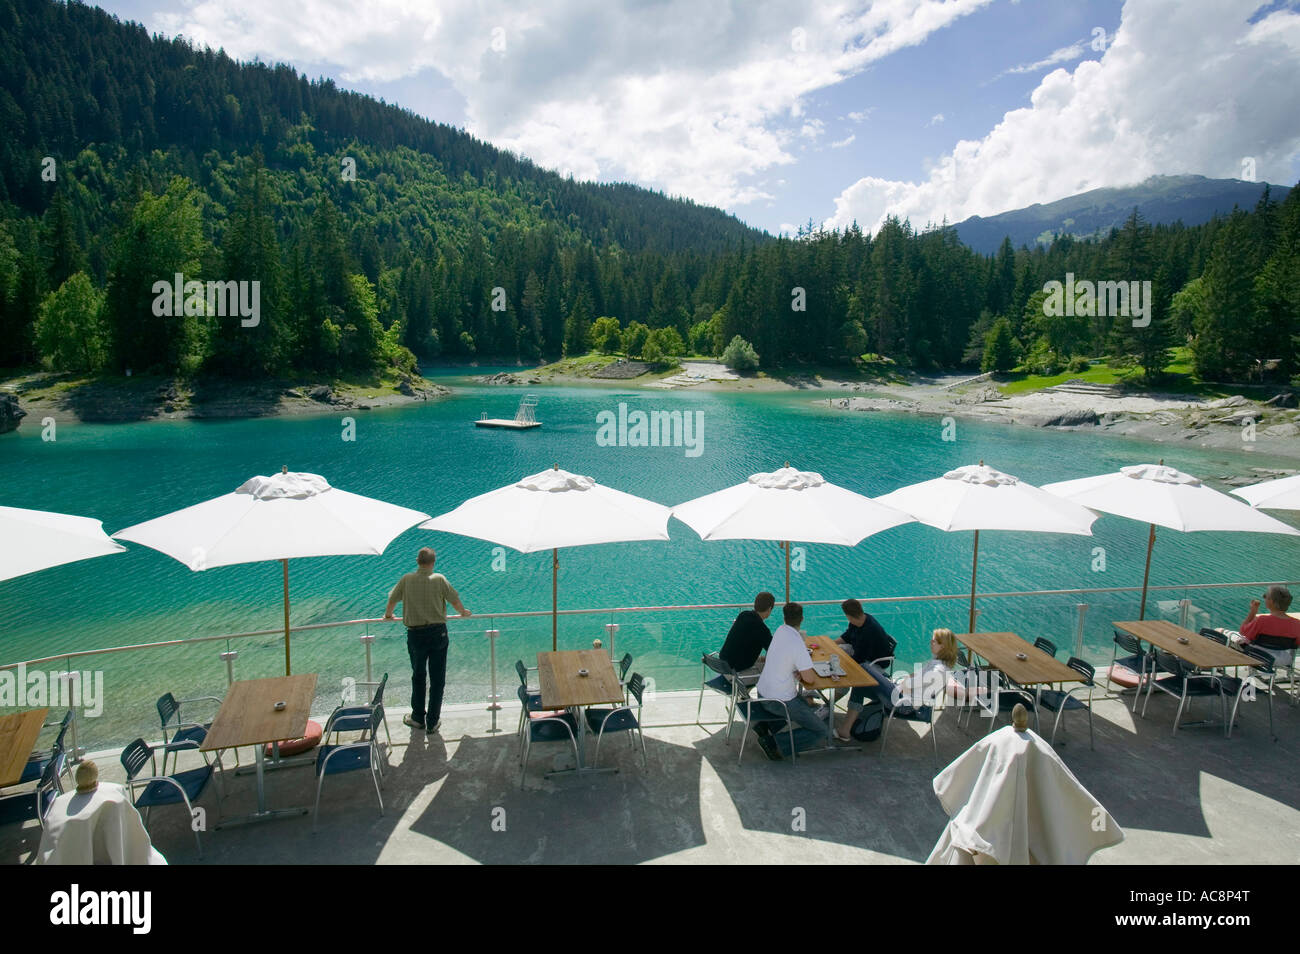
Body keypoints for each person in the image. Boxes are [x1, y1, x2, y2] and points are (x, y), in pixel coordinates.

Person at [383, 547, 470, 734]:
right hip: (438, 633)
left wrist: (388, 615)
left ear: (417, 561)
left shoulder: (407, 579)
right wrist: (463, 612)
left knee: (418, 676)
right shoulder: (439, 579)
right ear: (433, 562)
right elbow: (454, 600)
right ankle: (432, 721)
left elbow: (392, 599)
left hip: (416, 635)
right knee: (438, 679)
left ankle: (417, 718)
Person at [836, 628, 959, 742]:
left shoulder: (939, 669)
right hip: (900, 694)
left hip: (902, 704)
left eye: (934, 641)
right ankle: (845, 730)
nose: (930, 642)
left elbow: (911, 684)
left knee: (865, 668)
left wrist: (902, 683)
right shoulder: (937, 662)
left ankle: (837, 676)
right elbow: (913, 678)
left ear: (942, 646)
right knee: (862, 683)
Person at [751, 602, 829, 760]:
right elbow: (809, 678)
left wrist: (795, 670)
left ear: (784, 617)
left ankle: (767, 725)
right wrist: (803, 670)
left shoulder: (780, 631)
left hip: (762, 692)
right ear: (802, 619)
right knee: (821, 730)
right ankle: (775, 744)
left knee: (806, 704)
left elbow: (783, 659)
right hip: (779, 701)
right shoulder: (797, 644)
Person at [717, 591, 775, 685]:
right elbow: (774, 651)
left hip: (723, 668)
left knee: (762, 661)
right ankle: (763, 698)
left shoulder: (743, 615)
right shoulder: (761, 629)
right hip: (736, 677)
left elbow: (743, 644)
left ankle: (745, 696)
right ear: (769, 609)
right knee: (773, 668)